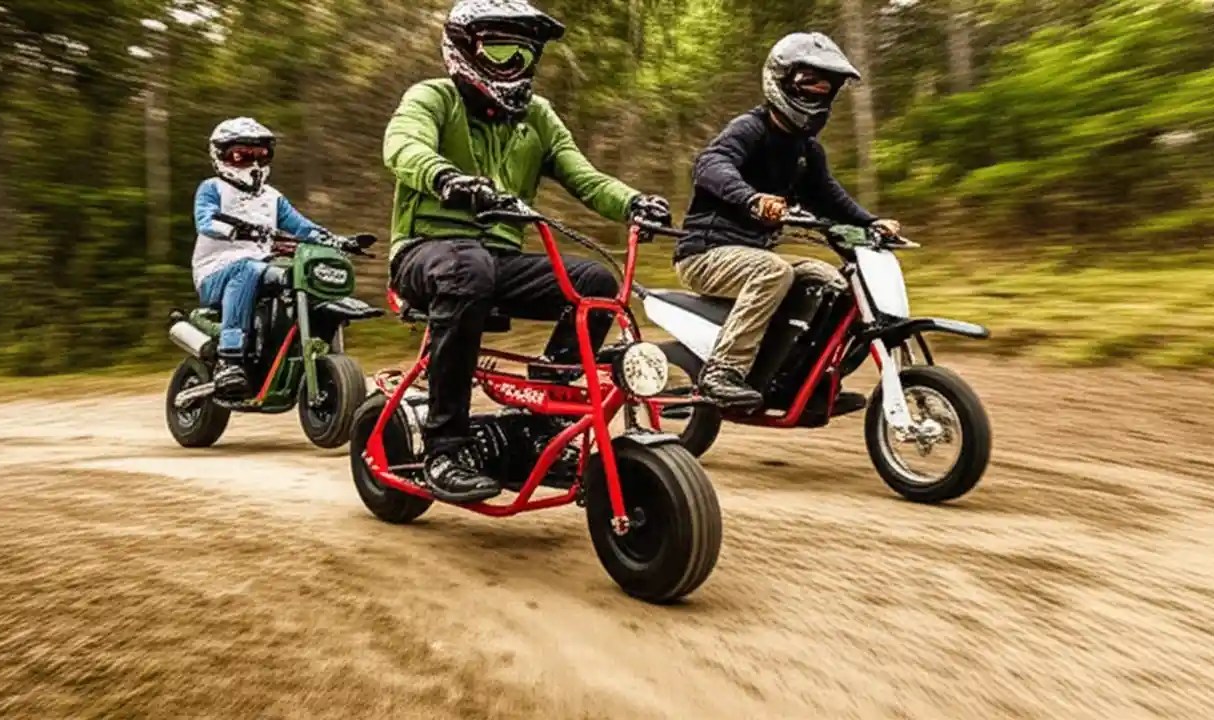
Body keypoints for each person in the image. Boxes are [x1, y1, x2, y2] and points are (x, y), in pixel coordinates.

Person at [383, 0, 672, 504]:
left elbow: (583, 176)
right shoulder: (432, 97)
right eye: (499, 49)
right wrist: (446, 178)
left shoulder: (537, 116)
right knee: (467, 269)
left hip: (500, 262)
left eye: (524, 52)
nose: (512, 63)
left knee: (596, 284)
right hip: (424, 253)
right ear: (464, 50)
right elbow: (402, 146)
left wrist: (634, 204)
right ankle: (444, 448)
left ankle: (547, 411)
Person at [674, 32, 902, 410]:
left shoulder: (807, 150)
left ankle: (805, 382)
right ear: (780, 81)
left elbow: (829, 196)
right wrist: (751, 199)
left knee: (836, 285)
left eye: (825, 87)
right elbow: (710, 165)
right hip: (704, 254)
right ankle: (722, 372)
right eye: (808, 83)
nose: (816, 94)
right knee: (774, 271)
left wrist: (872, 221)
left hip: (754, 254)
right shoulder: (751, 128)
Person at [191, 117, 340, 397]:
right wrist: (237, 229)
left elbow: (302, 227)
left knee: (297, 272)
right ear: (221, 156)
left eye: (261, 155)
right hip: (215, 272)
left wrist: (336, 240)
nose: (254, 164)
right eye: (242, 155)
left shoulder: (272, 197)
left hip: (260, 266)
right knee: (246, 269)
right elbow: (205, 221)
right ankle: (229, 359)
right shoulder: (212, 188)